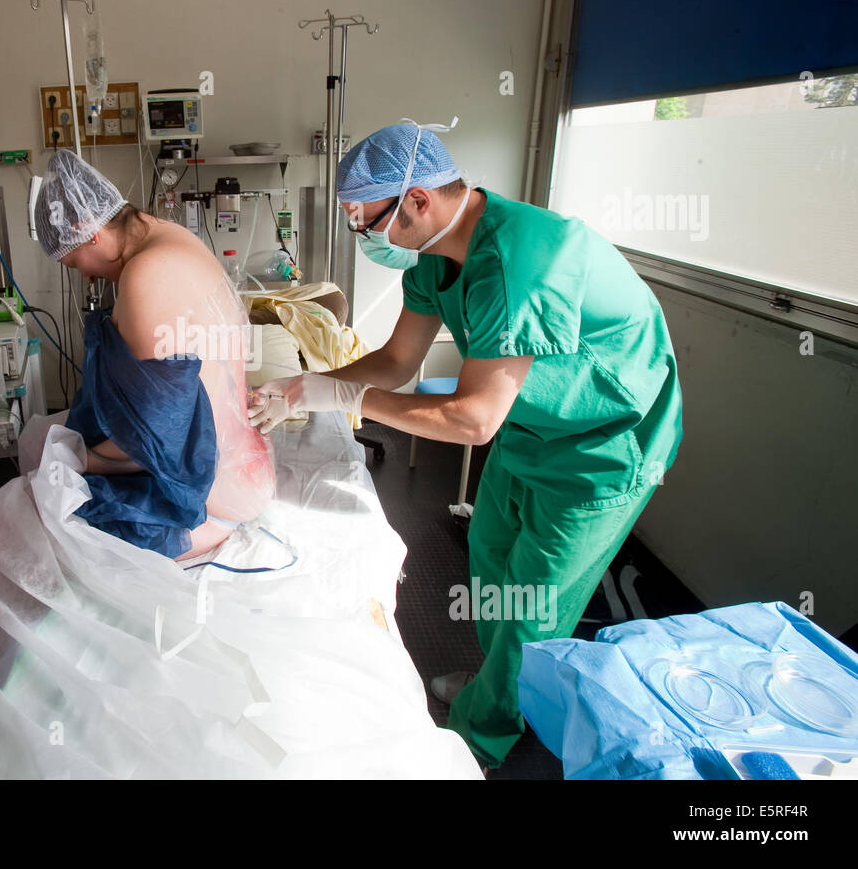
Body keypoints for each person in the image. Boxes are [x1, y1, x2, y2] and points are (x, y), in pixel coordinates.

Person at [249, 119, 683, 771]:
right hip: (534, 428)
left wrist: (345, 400)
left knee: (535, 603)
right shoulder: (437, 256)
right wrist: (305, 385)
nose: (369, 241)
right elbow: (397, 360)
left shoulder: (519, 263)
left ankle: (482, 741)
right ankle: (496, 688)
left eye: (370, 226)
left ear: (418, 201)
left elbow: (475, 419)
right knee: (491, 556)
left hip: (605, 442)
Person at [31, 149, 274, 559]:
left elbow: (162, 438)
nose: (87, 275)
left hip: (207, 501)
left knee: (53, 537)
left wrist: (80, 461)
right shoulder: (174, 237)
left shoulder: (146, 276)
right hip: (243, 468)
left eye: (75, 263)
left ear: (87, 229)